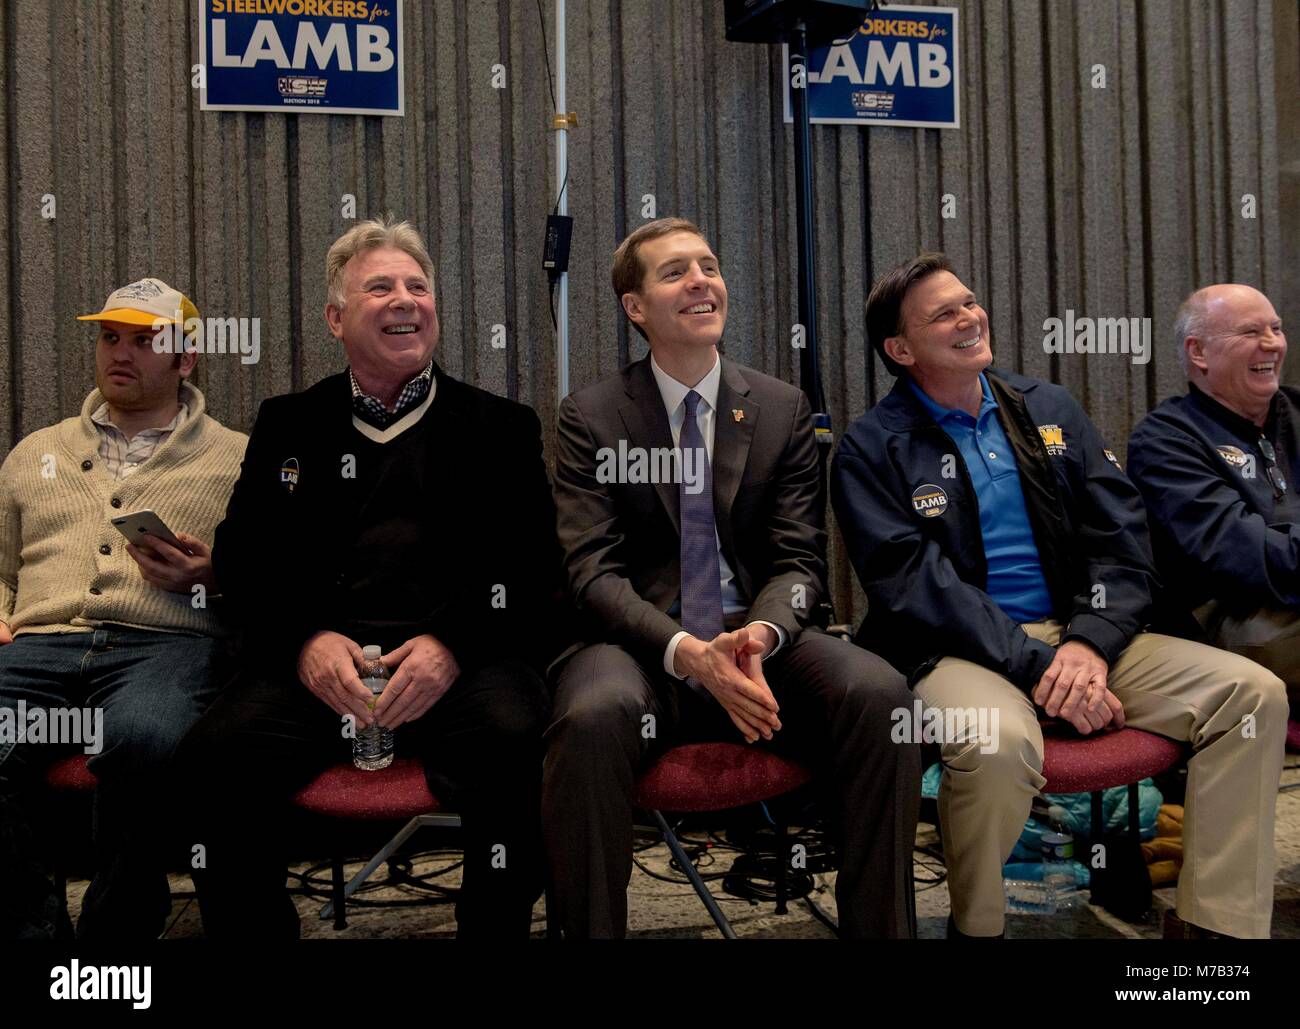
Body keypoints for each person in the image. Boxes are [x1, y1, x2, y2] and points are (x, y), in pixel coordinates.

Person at [831, 253, 1287, 939]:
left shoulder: (1049, 408)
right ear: (900, 348)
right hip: (960, 649)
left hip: (1084, 637)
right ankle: (976, 927)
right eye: (943, 313)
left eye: (970, 301)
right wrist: (1042, 666)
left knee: (1251, 694)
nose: (969, 316)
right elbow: (916, 588)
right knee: (997, 742)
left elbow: (1123, 540)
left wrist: (1088, 642)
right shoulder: (871, 447)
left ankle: (1212, 936)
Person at [175, 217, 559, 939]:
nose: (404, 299)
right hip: (317, 665)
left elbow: (533, 568)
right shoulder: (289, 423)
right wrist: (305, 642)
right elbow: (242, 560)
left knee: (518, 739)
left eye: (418, 286)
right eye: (379, 287)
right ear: (335, 317)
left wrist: (451, 644)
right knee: (213, 759)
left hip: (462, 662)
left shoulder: (499, 427)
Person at [544, 217, 920, 939]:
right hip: (639, 646)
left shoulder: (780, 409)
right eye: (674, 271)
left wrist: (761, 633)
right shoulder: (591, 416)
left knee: (881, 696)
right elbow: (591, 570)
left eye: (709, 266)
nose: (700, 281)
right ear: (635, 307)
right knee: (590, 717)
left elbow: (801, 558)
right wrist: (689, 650)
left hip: (758, 639)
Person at [0, 278, 246, 939]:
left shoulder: (237, 459)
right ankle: (31, 929)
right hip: (40, 644)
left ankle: (118, 929)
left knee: (143, 737)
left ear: (185, 358)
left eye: (145, 340)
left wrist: (214, 576)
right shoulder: (36, 453)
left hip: (166, 644)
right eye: (111, 337)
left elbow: (277, 578)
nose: (121, 353)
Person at [1127, 284, 1299, 720]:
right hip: (1234, 619)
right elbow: (1241, 554)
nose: (1272, 343)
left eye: (1276, 329)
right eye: (1250, 332)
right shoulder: (1164, 442)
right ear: (1198, 352)